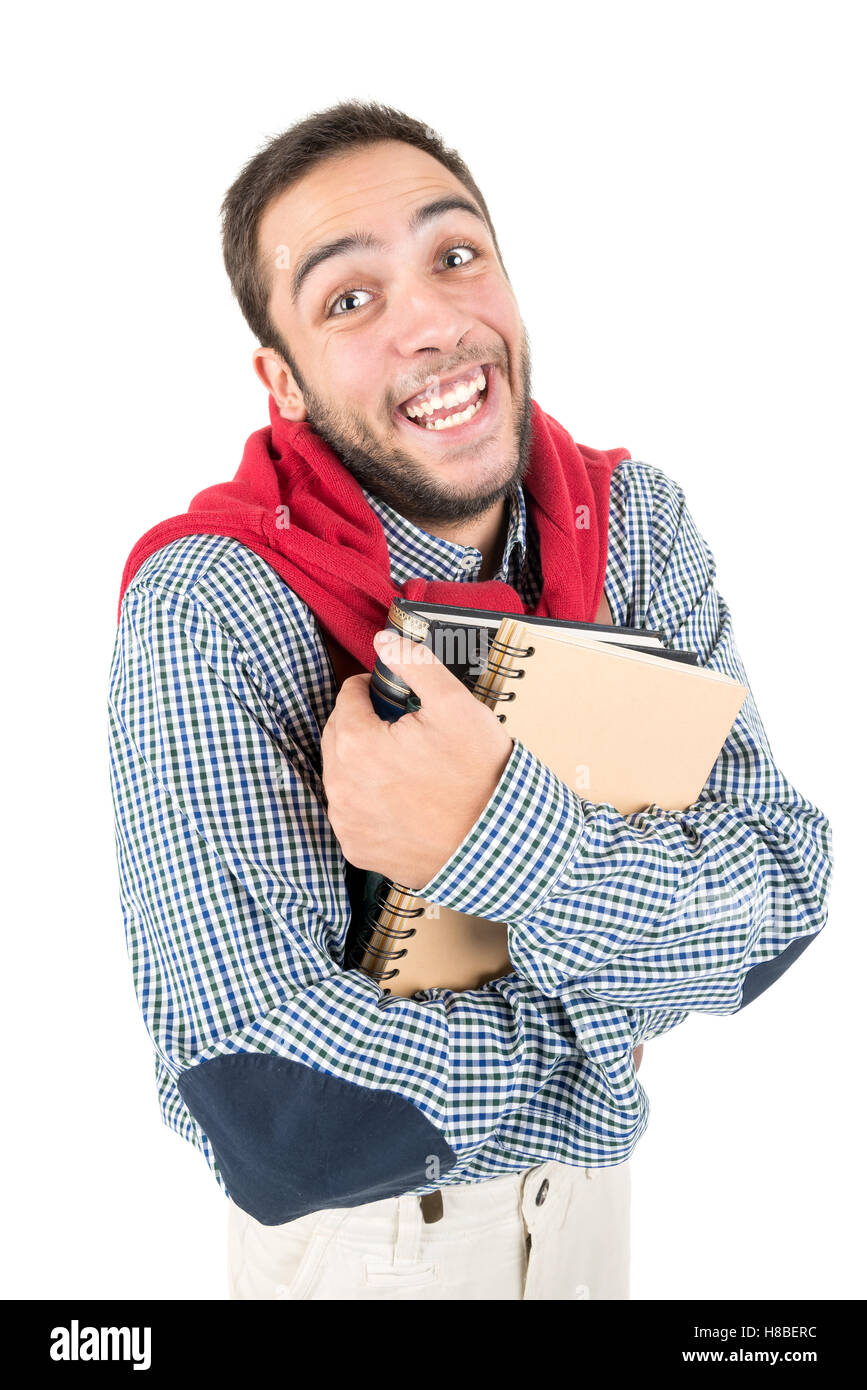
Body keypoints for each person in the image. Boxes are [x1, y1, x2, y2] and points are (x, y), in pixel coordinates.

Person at [107, 100, 834, 1301]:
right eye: (351, 298)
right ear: (280, 381)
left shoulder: (638, 524)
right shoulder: (209, 603)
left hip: (595, 1221)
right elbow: (279, 1113)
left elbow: (780, 900)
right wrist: (616, 1017)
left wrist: (493, 838)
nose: (435, 322)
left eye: (456, 257)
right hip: (369, 1249)